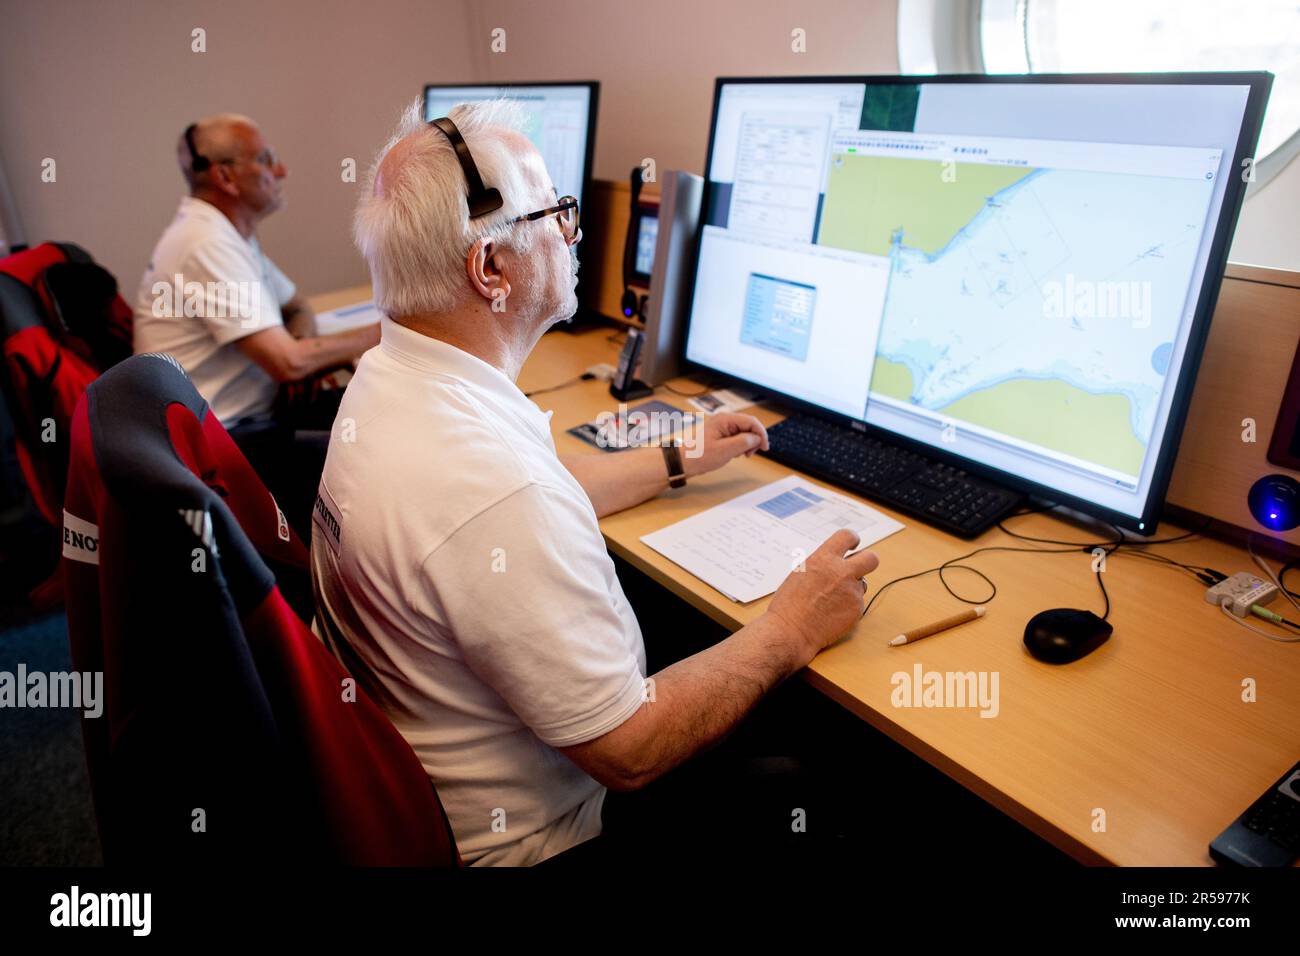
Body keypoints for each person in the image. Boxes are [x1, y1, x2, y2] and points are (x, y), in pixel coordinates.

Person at [310, 99, 880, 866]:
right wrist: (792, 628)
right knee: (816, 780)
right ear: (491, 268)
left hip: (425, 788)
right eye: (560, 213)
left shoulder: (394, 379)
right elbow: (631, 751)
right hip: (549, 843)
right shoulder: (488, 489)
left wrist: (676, 460)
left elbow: (530, 494)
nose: (574, 234)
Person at [133, 113, 378, 532]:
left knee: (375, 413)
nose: (281, 170)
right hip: (221, 446)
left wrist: (298, 350)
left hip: (255, 415)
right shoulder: (205, 242)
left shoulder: (228, 232)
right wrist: (389, 329)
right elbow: (288, 363)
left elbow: (296, 307)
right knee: (376, 447)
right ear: (226, 177)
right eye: (267, 159)